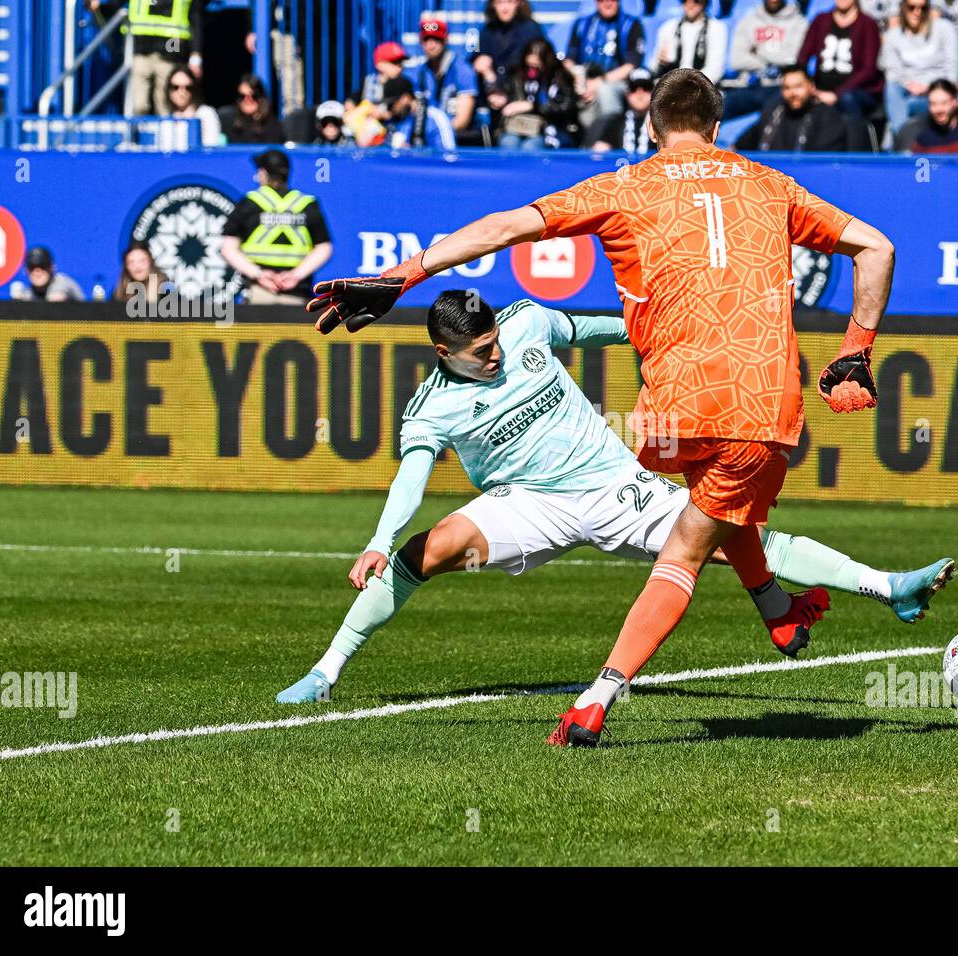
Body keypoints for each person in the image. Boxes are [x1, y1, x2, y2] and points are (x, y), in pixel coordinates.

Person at [305, 69, 904, 747]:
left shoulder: (622, 187)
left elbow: (505, 227)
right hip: (760, 404)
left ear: (650, 126)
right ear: (716, 125)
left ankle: (775, 612)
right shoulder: (770, 183)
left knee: (708, 524)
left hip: (669, 418)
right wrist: (856, 349)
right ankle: (780, 609)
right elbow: (877, 246)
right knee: (707, 530)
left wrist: (401, 274)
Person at [276, 292, 954, 705]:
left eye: (493, 343)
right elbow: (410, 479)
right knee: (427, 551)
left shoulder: (525, 327)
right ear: (441, 349)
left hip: (613, 486)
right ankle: (325, 673)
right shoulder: (431, 410)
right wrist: (378, 541)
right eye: (479, 352)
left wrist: (659, 335)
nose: (494, 356)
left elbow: (589, 330)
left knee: (739, 533)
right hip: (526, 505)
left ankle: (889, 586)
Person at [220, 150, 333, 305]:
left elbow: (228, 248)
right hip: (297, 293)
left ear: (263, 173)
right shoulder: (306, 204)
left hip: (259, 291)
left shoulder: (249, 203)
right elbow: (323, 248)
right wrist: (296, 275)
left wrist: (259, 275)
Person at [88, 0, 202, 117]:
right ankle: (137, 134)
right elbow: (116, 5)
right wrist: (100, 7)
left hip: (170, 50)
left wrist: (195, 55)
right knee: (138, 105)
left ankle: (165, 134)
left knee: (165, 107)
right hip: (141, 50)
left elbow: (195, 19)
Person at [563, 0, 648, 132]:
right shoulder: (582, 24)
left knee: (605, 90)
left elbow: (632, 65)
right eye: (602, 0)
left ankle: (610, 139)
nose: (607, 3)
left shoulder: (630, 24)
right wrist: (579, 78)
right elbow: (569, 60)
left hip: (617, 82)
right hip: (584, 80)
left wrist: (599, 83)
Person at [880, 0, 958, 136]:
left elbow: (952, 66)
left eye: (922, 8)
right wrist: (909, 84)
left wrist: (931, 87)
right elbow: (892, 72)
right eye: (912, 7)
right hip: (908, 88)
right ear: (903, 8)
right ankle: (903, 140)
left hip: (938, 88)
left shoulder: (943, 28)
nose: (917, 12)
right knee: (892, 89)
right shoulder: (893, 36)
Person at [797, 0, 885, 122]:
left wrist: (836, 94)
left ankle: (854, 138)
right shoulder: (821, 20)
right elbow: (803, 57)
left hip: (857, 91)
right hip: (821, 88)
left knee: (847, 99)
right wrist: (807, 84)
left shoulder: (868, 24)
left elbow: (868, 70)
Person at [723, 0, 809, 120]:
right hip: (749, 86)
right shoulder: (748, 20)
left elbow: (793, 60)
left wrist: (758, 51)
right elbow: (736, 60)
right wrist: (773, 63)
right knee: (717, 110)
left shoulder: (799, 22)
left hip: (780, 87)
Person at [735, 64, 854, 149]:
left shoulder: (828, 116)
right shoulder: (773, 113)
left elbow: (826, 160)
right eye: (787, 88)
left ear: (811, 86)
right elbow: (740, 146)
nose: (792, 93)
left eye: (798, 87)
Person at [495, 38, 581, 150]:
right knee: (508, 142)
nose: (532, 60)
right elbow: (507, 99)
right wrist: (499, 101)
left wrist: (533, 106)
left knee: (530, 147)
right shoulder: (517, 77)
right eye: (530, 54)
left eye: (536, 65)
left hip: (549, 129)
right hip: (518, 126)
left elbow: (566, 108)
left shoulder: (560, 78)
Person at [408, 17, 479, 141]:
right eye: (426, 40)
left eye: (437, 39)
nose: (431, 45)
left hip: (456, 138)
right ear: (421, 42)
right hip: (426, 135)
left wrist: (437, 133)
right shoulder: (419, 72)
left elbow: (462, 120)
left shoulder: (462, 70)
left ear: (445, 40)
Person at [474, 0, 546, 104]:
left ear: (519, 3)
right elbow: (474, 56)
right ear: (492, 5)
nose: (504, 8)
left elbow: (541, 63)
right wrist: (481, 64)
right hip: (490, 94)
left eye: (509, 2)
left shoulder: (532, 29)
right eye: (499, 3)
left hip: (522, 95)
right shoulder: (486, 30)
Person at [651, 0, 729, 85]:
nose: (690, 4)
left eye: (696, 1)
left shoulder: (717, 28)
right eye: (685, 0)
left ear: (705, 2)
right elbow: (653, 66)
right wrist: (660, 62)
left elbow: (715, 70)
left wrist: (689, 85)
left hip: (701, 88)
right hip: (670, 86)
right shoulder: (668, 27)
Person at [894, 77, 958, 150]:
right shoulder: (917, 131)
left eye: (944, 103)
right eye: (933, 104)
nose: (938, 110)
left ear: (955, 102)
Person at [589, 68, 657, 154]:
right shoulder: (615, 123)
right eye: (634, 88)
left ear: (654, 92)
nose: (639, 94)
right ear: (627, 93)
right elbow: (599, 150)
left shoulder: (663, 124)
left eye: (646, 88)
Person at [164, 66, 220, 147]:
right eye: (175, 87)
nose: (181, 92)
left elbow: (211, 147)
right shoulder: (165, 117)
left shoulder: (206, 113)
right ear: (169, 90)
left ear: (194, 89)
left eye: (187, 88)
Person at [223, 74, 285, 144]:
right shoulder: (230, 123)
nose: (247, 100)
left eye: (253, 96)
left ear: (261, 98)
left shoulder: (274, 126)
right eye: (242, 96)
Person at [12, 246, 84, 302]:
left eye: (43, 266)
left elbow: (55, 303)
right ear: (25, 270)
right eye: (32, 267)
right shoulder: (27, 294)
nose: (37, 271)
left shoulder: (62, 283)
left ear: (52, 268)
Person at [354, 41, 409, 108]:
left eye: (400, 63)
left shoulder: (405, 84)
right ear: (379, 64)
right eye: (394, 63)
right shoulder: (370, 81)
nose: (399, 68)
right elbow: (353, 101)